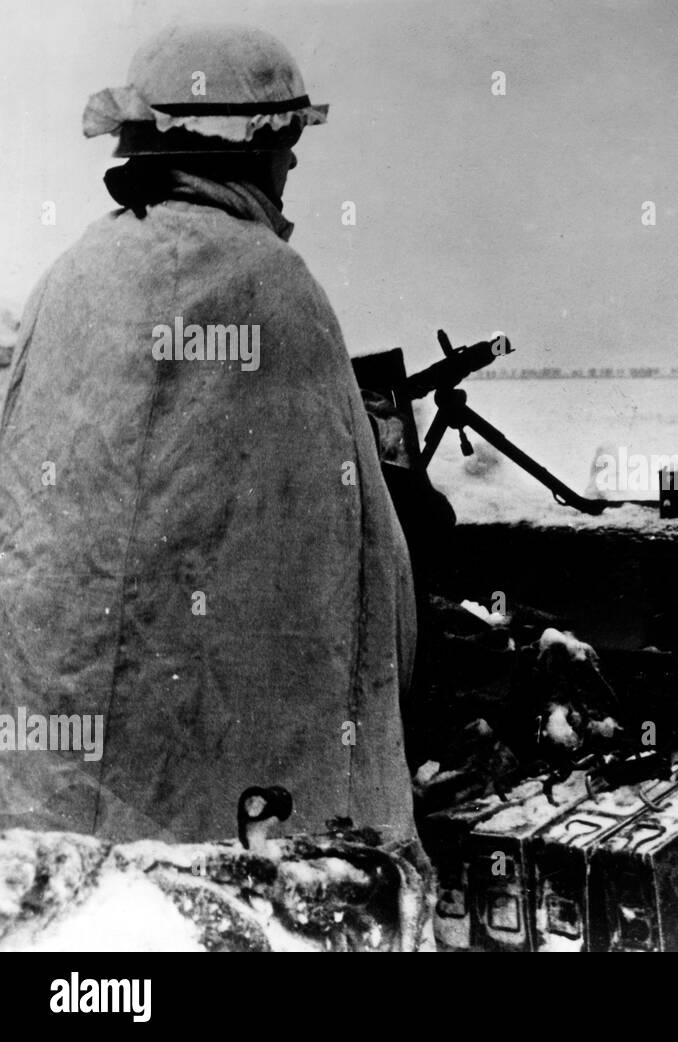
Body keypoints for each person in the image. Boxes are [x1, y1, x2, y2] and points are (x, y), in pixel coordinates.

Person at [0, 24, 416, 844]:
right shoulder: (275, 287)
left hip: (43, 802)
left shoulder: (72, 277)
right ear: (243, 150)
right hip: (240, 812)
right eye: (284, 142)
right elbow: (366, 552)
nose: (292, 162)